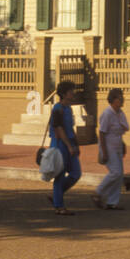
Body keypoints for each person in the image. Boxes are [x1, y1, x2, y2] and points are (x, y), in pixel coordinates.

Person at [48, 81, 82, 215]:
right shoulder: (58, 109)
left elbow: (70, 128)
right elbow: (58, 129)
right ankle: (59, 206)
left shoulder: (68, 109)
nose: (73, 93)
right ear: (63, 94)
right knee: (60, 175)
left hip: (69, 144)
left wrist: (75, 145)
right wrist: (69, 146)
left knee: (76, 173)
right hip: (60, 145)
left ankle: (57, 195)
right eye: (70, 91)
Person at [94, 88, 129, 209]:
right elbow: (102, 133)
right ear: (114, 100)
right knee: (115, 172)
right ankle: (98, 192)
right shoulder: (107, 113)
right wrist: (104, 151)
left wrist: (123, 144)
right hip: (108, 146)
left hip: (117, 145)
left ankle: (112, 202)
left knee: (119, 175)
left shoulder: (120, 113)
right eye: (120, 97)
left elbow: (119, 131)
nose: (122, 99)